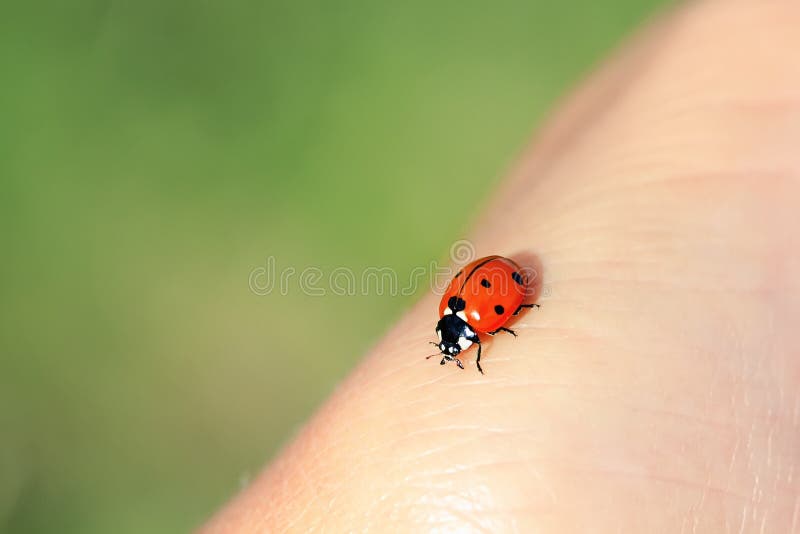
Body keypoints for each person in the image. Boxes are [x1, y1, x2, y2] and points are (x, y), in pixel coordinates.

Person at [203, 1, 800, 531]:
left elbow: (488, 308)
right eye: (458, 346)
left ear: (461, 333)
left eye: (457, 346)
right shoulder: (465, 316)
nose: (459, 348)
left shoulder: (475, 320)